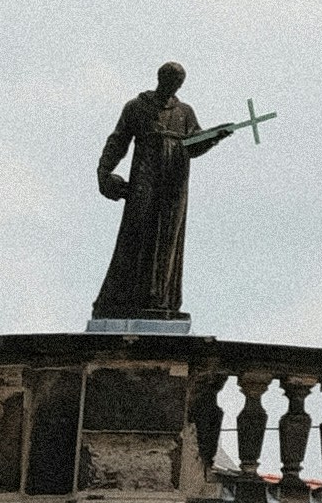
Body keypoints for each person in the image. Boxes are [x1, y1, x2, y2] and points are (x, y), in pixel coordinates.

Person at [89, 60, 237, 323]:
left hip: (174, 182)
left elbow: (193, 145)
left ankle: (159, 299)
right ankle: (118, 299)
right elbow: (118, 140)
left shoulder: (185, 112)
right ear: (160, 79)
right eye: (171, 81)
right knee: (136, 233)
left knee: (168, 237)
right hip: (145, 177)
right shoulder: (137, 107)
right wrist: (104, 173)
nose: (175, 86)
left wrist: (215, 136)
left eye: (179, 83)